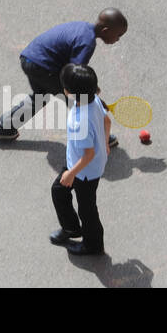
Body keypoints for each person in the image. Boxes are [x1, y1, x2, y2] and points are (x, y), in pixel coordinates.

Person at [0, 8, 127, 142]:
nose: (118, 39)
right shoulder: (87, 42)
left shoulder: (83, 27)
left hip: (29, 59)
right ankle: (100, 137)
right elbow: (75, 76)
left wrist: (93, 89)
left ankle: (3, 127)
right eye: (118, 35)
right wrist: (93, 96)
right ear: (105, 31)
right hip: (44, 67)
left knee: (40, 97)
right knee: (83, 101)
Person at [50, 63, 110, 255]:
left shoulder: (79, 122)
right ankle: (71, 228)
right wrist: (106, 142)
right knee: (59, 191)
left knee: (87, 210)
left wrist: (70, 174)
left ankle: (93, 245)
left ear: (68, 92)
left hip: (84, 172)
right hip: (80, 165)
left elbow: (88, 154)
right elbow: (107, 120)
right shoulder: (95, 101)